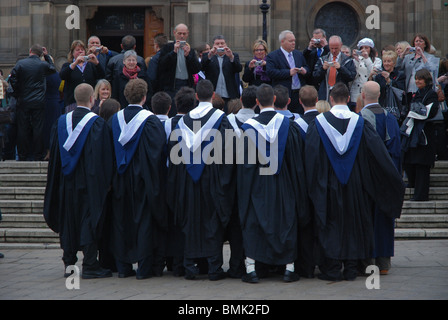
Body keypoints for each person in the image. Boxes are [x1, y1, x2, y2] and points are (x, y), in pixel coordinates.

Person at [304, 82, 405, 281]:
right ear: (348, 99)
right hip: (355, 185)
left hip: (328, 184)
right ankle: (350, 268)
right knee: (352, 224)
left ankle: (332, 268)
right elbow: (377, 155)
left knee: (331, 223)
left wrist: (313, 185)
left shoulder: (318, 123)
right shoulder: (359, 123)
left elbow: (311, 157)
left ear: (331, 99)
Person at [237, 84, 308, 283]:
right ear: (275, 100)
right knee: (286, 222)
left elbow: (245, 168)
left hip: (257, 185)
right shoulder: (289, 126)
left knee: (254, 223)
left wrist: (245, 194)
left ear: (257, 102)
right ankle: (289, 268)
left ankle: (251, 269)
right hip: (284, 184)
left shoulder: (248, 129)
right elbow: (297, 164)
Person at [166, 79, 234, 281]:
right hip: (213, 178)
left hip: (187, 178)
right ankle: (214, 267)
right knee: (211, 220)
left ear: (196, 96)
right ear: (213, 95)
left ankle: (190, 267)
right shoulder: (221, 119)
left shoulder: (182, 121)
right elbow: (228, 153)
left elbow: (173, 156)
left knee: (190, 219)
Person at [44, 83, 113, 279]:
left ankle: (69, 262)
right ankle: (90, 264)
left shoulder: (60, 123)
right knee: (88, 219)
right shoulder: (97, 124)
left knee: (68, 219)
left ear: (75, 99)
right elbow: (104, 158)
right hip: (90, 183)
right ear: (93, 99)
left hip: (66, 182)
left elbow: (55, 158)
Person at [109, 78, 167, 279]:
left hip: (119, 179)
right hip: (143, 180)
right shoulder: (150, 121)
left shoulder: (114, 120)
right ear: (144, 97)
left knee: (121, 220)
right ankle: (143, 268)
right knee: (143, 221)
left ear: (126, 96)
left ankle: (123, 267)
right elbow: (157, 154)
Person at [358, 81, 402, 275]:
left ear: (362, 95)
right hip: (388, 177)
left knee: (367, 218)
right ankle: (383, 263)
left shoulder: (359, 120)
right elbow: (398, 152)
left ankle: (368, 261)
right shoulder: (391, 119)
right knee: (384, 219)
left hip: (367, 178)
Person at [164, 86, 197, 277]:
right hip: (191, 178)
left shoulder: (168, 125)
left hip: (172, 178)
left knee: (175, 223)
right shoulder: (199, 125)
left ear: (175, 105)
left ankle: (176, 264)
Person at [9, 44, 57, 161]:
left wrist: (17, 93)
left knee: (23, 128)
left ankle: (22, 155)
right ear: (40, 53)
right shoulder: (42, 64)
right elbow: (53, 69)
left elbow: (12, 79)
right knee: (38, 128)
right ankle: (38, 155)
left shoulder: (21, 63)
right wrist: (47, 57)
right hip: (39, 101)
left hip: (23, 101)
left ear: (30, 51)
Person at [401, 69, 440, 201]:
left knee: (422, 165)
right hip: (414, 134)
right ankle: (413, 185)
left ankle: (421, 195)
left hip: (425, 135)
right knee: (409, 161)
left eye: (420, 79)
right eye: (416, 78)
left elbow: (430, 111)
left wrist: (415, 110)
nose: (417, 81)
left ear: (426, 80)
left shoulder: (431, 94)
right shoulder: (416, 93)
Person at [157, 24, 201, 117]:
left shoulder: (191, 50)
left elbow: (196, 69)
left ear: (187, 34)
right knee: (173, 113)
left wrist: (188, 56)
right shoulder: (167, 48)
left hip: (187, 86)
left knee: (188, 113)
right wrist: (173, 53)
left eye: (184, 34)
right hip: (171, 86)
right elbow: (161, 66)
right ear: (174, 33)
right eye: (179, 33)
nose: (182, 36)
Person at [266, 30, 309, 114]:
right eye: (290, 41)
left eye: (294, 41)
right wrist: (288, 72)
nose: (293, 43)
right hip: (283, 94)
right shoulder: (273, 56)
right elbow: (271, 72)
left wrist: (305, 71)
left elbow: (307, 67)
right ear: (282, 42)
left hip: (299, 93)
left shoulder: (298, 54)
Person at [201, 35, 243, 111]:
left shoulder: (233, 55)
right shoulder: (207, 56)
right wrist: (210, 55)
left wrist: (231, 57)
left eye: (222, 43)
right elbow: (201, 68)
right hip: (213, 95)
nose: (220, 45)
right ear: (213, 45)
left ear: (226, 45)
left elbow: (238, 69)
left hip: (229, 95)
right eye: (217, 44)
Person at [60, 40, 105, 109]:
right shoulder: (68, 65)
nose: (80, 51)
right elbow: (62, 76)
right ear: (72, 53)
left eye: (82, 50)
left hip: (89, 102)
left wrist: (97, 63)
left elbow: (102, 76)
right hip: (72, 102)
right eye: (77, 50)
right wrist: (75, 64)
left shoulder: (90, 65)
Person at [312, 35, 357, 102]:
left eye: (336, 48)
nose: (333, 51)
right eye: (331, 48)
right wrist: (323, 69)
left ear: (341, 45)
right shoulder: (323, 59)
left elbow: (351, 76)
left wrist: (341, 68)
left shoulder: (348, 60)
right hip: (325, 94)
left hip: (340, 94)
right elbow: (315, 77)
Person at [396, 34, 440, 98]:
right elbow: (398, 68)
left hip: (424, 90)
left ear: (425, 44)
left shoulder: (430, 57)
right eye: (416, 41)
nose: (418, 43)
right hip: (409, 89)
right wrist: (403, 53)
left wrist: (422, 54)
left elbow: (432, 70)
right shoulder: (408, 57)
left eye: (421, 41)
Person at [372, 50, 406, 121]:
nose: (386, 63)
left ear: (394, 63)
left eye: (389, 61)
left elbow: (401, 90)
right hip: (381, 107)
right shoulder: (379, 76)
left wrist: (389, 80)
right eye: (384, 61)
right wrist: (370, 77)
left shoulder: (400, 75)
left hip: (395, 108)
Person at [350, 38, 382, 107]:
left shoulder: (377, 60)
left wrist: (367, 58)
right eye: (362, 48)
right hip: (356, 92)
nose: (363, 50)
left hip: (369, 91)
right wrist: (356, 60)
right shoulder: (357, 60)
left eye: (366, 48)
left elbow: (372, 73)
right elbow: (354, 74)